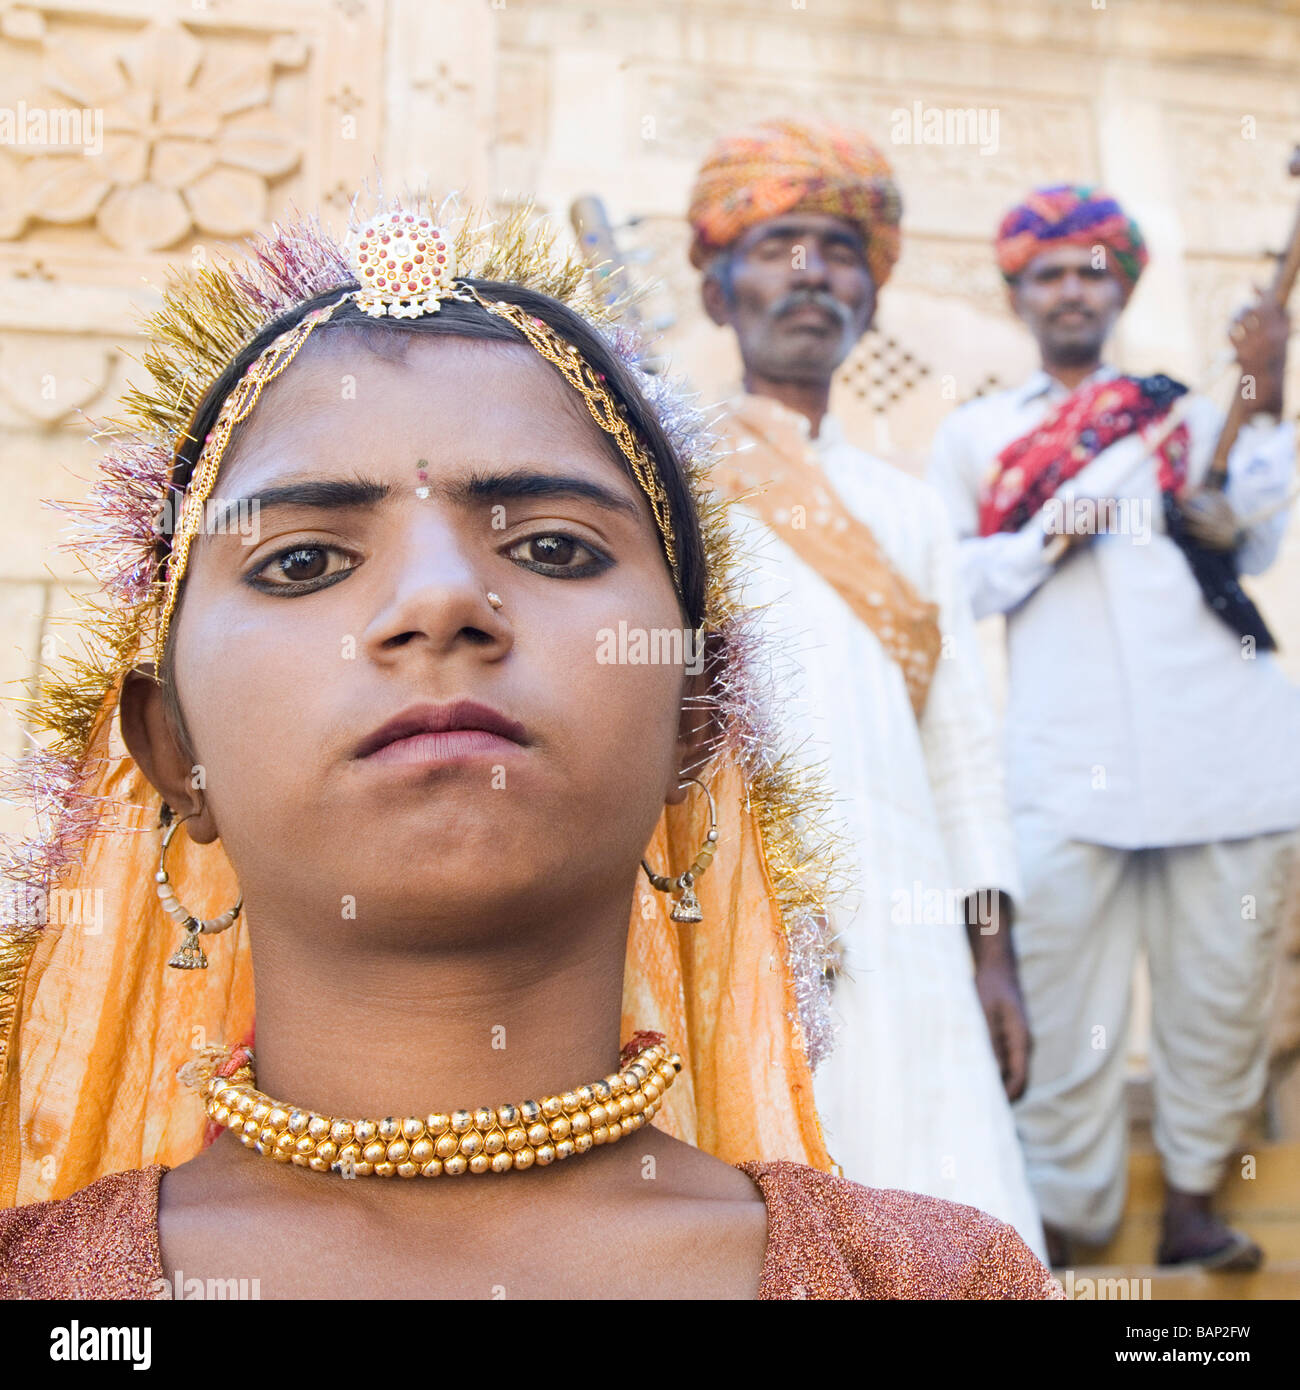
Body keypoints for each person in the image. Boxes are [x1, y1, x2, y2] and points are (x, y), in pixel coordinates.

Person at [0, 197, 1060, 1300]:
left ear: (696, 720)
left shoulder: (933, 1281)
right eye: (303, 562)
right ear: (172, 746)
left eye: (553, 546)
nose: (441, 598)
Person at [686, 117, 1046, 1259]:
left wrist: (994, 954)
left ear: (870, 297)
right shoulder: (667, 475)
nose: (812, 274)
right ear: (717, 289)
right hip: (730, 898)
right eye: (780, 242)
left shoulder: (911, 508)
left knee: (943, 1193)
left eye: (840, 250)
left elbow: (961, 749)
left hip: (917, 921)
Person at [928, 183, 1300, 1269]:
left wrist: (1266, 398)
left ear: (1119, 286)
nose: (1069, 290)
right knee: (1056, 1009)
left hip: (1221, 754)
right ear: (1016, 294)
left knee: (1219, 998)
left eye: (1090, 270)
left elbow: (1250, 533)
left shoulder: (1185, 414)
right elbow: (946, 584)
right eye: (1047, 273)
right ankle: (1064, 1220)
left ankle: (1193, 1199)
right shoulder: (978, 435)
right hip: (1064, 771)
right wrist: (1045, 537)